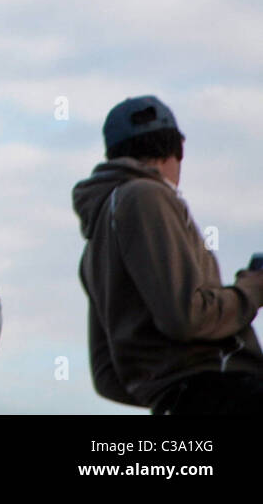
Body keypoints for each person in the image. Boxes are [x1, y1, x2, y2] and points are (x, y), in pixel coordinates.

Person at [72, 95, 263, 414]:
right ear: (177, 150)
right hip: (221, 392)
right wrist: (254, 287)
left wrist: (164, 393)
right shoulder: (146, 196)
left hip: (177, 401)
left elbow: (106, 376)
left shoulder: (93, 247)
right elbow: (188, 317)